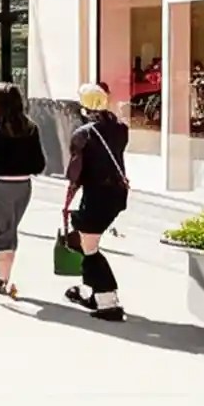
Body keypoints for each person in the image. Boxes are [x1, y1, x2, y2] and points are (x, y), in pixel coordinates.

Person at [63, 83, 131, 322]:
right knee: (89, 240)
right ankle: (92, 292)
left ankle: (108, 301)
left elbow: (74, 173)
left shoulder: (83, 135)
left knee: (90, 249)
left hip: (97, 196)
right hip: (117, 194)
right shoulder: (121, 129)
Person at [0, 82, 46, 298]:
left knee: (3, 234)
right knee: (8, 229)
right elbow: (39, 164)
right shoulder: (31, 128)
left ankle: (3, 278)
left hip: (1, 185)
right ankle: (2, 274)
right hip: (24, 186)